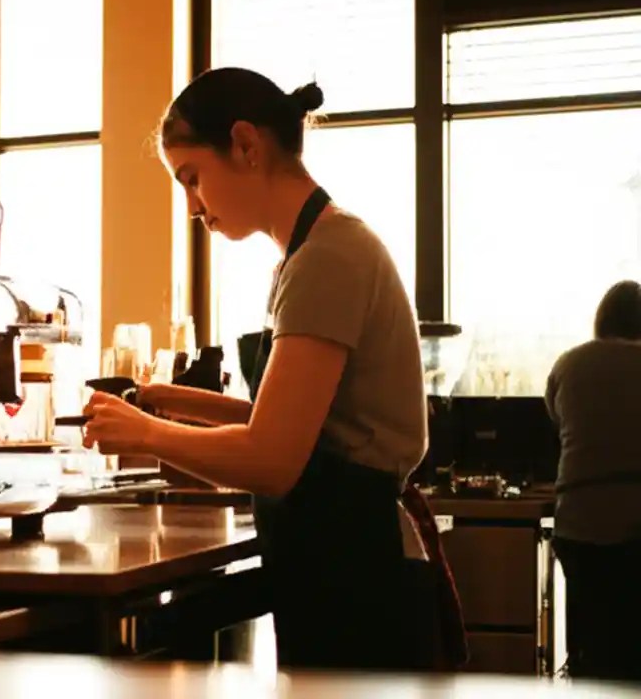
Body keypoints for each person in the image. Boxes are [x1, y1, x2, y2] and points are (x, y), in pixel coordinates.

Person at [82, 67, 456, 672]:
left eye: (193, 179)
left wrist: (144, 433)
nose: (192, 208)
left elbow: (273, 458)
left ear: (246, 146)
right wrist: (171, 401)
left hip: (360, 575)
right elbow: (298, 426)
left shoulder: (328, 257)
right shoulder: (304, 256)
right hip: (338, 562)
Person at [546, 280, 641, 681]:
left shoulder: (567, 365)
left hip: (579, 528)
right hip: (636, 531)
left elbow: (556, 419)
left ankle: (584, 670)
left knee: (592, 645)